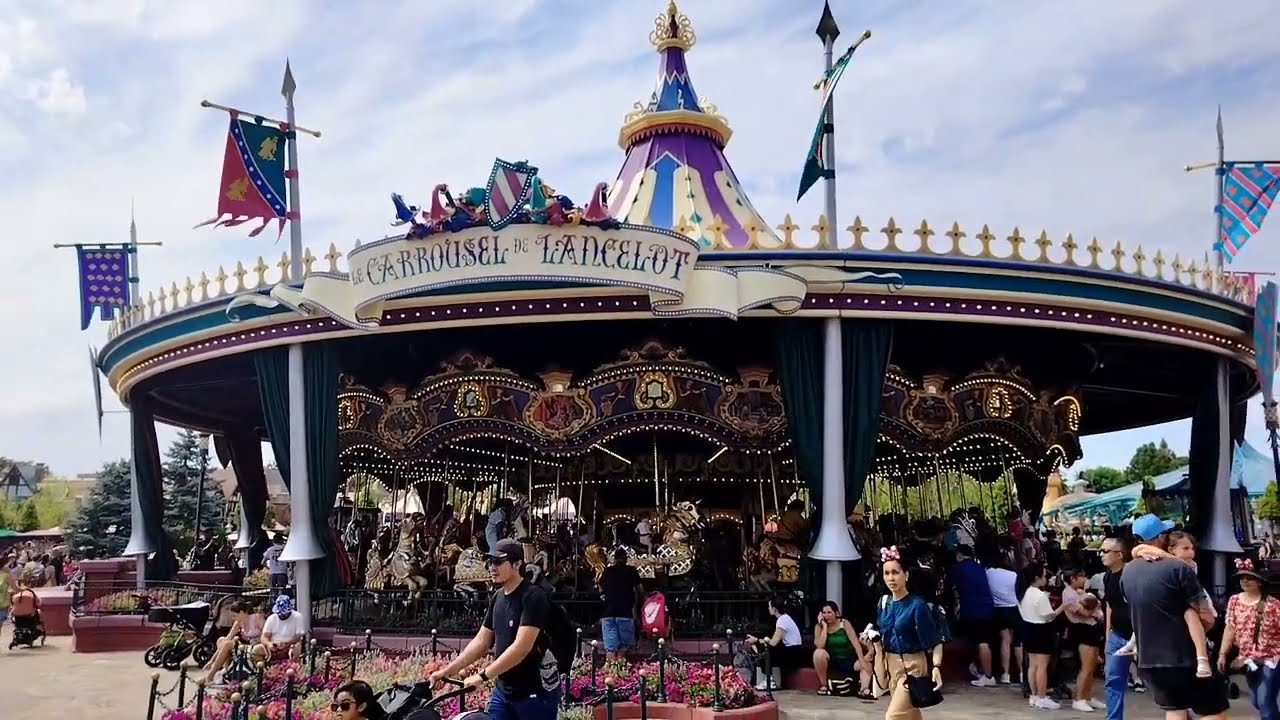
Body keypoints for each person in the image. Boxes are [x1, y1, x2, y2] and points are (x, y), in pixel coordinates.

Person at [428, 539, 560, 720]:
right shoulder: (498, 597)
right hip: (504, 691)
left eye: (498, 562)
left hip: (534, 692)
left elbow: (521, 648)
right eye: (490, 562)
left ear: (517, 564)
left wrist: (482, 676)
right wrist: (447, 671)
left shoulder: (533, 597)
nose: (492, 567)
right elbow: (481, 642)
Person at [1121, 515, 1227, 719]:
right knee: (1212, 713)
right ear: (1160, 537)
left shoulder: (1128, 571)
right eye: (1166, 533)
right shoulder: (1178, 568)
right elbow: (1206, 616)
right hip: (1186, 657)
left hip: (1149, 659)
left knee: (1175, 712)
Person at [1119, 530, 1214, 679]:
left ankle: (1202, 656)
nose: (1190, 552)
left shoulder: (1183, 564)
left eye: (1192, 548)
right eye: (1185, 548)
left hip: (1156, 646)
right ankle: (1202, 657)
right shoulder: (1176, 567)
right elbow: (1207, 617)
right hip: (1179, 642)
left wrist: (1143, 550)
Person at [874, 546, 944, 720]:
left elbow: (935, 640)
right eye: (887, 573)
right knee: (911, 715)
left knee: (893, 716)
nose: (891, 578)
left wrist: (936, 667)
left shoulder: (917, 605)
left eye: (895, 573)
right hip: (892, 666)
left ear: (906, 575)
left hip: (913, 667)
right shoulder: (884, 603)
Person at [1218, 558, 1280, 720]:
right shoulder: (1234, 601)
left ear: (1260, 581)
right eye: (1242, 577)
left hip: (1271, 659)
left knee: (1265, 702)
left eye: (1250, 577)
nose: (1245, 580)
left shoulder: (1273, 605)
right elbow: (1230, 627)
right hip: (1248, 660)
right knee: (1257, 702)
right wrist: (1223, 653)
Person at [1100, 536, 1143, 720]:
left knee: (1159, 681)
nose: (1101, 555)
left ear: (1119, 554)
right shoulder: (1107, 576)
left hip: (1139, 636)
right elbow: (1110, 605)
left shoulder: (1131, 576)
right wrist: (1108, 632)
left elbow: (1140, 606)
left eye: (1105, 551)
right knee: (1113, 680)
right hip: (1117, 636)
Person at [1016, 562, 1065, 710]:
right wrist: (1062, 607)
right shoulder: (1040, 595)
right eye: (1044, 576)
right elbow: (1048, 616)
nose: (1046, 578)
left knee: (1032, 665)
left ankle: (1034, 695)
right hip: (1041, 629)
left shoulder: (1024, 592)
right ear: (1037, 577)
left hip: (1028, 627)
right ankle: (1042, 697)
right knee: (1042, 666)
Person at [947, 544, 997, 687]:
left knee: (981, 642)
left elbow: (949, 586)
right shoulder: (979, 567)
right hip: (987, 608)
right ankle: (981, 669)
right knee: (983, 641)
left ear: (960, 555)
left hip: (973, 610)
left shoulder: (958, 569)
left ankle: (988, 675)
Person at [1061, 567, 1105, 712]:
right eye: (1081, 576)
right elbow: (1085, 613)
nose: (1084, 579)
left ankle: (1088, 696)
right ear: (1073, 578)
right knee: (1086, 667)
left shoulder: (1080, 592)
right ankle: (1079, 698)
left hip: (1092, 629)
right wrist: (1095, 605)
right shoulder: (1068, 594)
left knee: (1092, 666)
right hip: (1082, 630)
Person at [813, 600, 873, 699]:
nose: (826, 615)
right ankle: (824, 685)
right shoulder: (819, 627)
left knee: (866, 665)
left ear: (836, 613)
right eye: (824, 613)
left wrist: (862, 660)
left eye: (829, 612)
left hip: (849, 659)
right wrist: (824, 627)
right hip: (832, 660)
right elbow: (820, 645)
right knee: (818, 653)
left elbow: (856, 644)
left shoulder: (844, 623)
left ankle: (864, 689)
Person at [745, 595, 805, 690]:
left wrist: (756, 641)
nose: (768, 609)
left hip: (794, 653)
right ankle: (767, 678)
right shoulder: (783, 618)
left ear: (775, 608)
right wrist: (757, 640)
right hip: (792, 650)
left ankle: (770, 680)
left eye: (769, 607)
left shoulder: (782, 620)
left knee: (767, 651)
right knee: (765, 647)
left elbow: (773, 642)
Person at [203, 600, 264, 684]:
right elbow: (228, 638)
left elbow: (265, 634)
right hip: (245, 646)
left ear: (242, 612)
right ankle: (225, 669)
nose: (233, 618)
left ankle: (211, 674)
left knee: (227, 644)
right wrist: (212, 660)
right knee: (222, 640)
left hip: (257, 646)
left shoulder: (257, 618)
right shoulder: (238, 623)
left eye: (235, 616)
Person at [985, 552, 1022, 685]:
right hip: (1013, 608)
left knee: (1005, 641)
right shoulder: (1013, 575)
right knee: (1018, 642)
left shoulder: (988, 572)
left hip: (998, 609)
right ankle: (1022, 672)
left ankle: (1005, 674)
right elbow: (1018, 593)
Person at [598, 548, 641, 661]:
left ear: (614, 559)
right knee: (624, 646)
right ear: (626, 559)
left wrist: (603, 594)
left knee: (610, 648)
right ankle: (621, 672)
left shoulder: (608, 571)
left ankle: (610, 673)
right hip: (625, 612)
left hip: (607, 613)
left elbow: (600, 585)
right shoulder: (631, 571)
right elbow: (639, 589)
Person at [258, 595, 305, 663]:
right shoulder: (271, 618)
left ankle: (294, 669)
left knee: (296, 649)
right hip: (274, 646)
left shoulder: (298, 617)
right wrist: (269, 644)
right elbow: (264, 637)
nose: (282, 615)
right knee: (256, 650)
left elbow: (299, 637)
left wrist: (286, 644)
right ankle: (263, 671)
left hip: (290, 645)